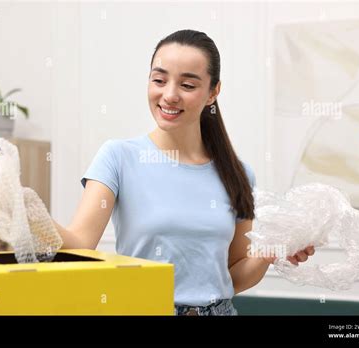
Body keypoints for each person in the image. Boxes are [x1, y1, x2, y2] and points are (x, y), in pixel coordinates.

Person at [53, 29, 315, 316]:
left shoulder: (238, 173)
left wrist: (268, 252)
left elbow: (233, 275)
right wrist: (23, 205)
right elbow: (79, 244)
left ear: (213, 92)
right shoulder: (117, 157)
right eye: (159, 80)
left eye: (188, 85)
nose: (169, 95)